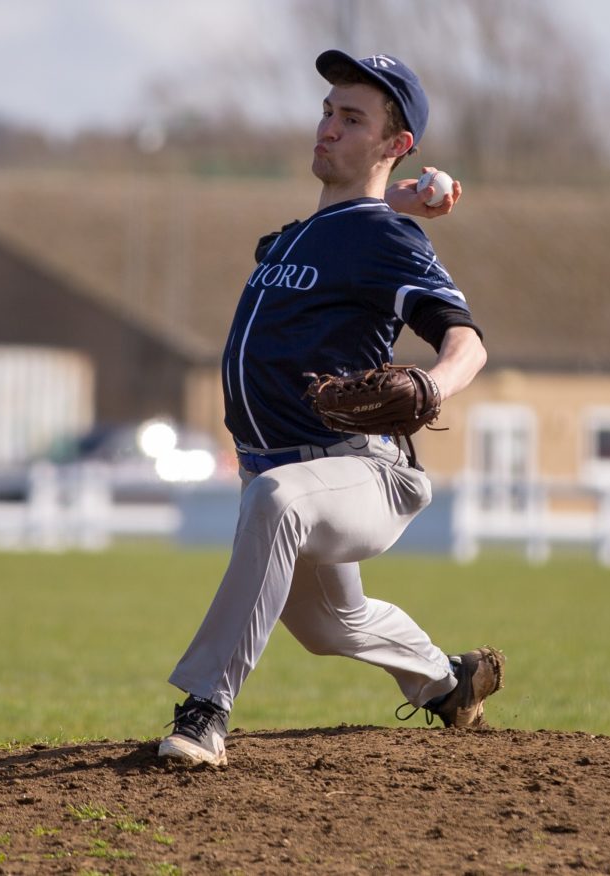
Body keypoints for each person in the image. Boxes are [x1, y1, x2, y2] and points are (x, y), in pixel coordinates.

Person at [158, 50, 504, 766]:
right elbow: (341, 227)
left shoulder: (390, 240)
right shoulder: (296, 238)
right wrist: (399, 194)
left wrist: (433, 386)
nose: (329, 128)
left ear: (394, 142)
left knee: (279, 502)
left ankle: (205, 710)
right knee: (331, 624)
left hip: (359, 474)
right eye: (327, 112)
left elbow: (467, 342)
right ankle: (449, 680)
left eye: (353, 119)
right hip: (278, 470)